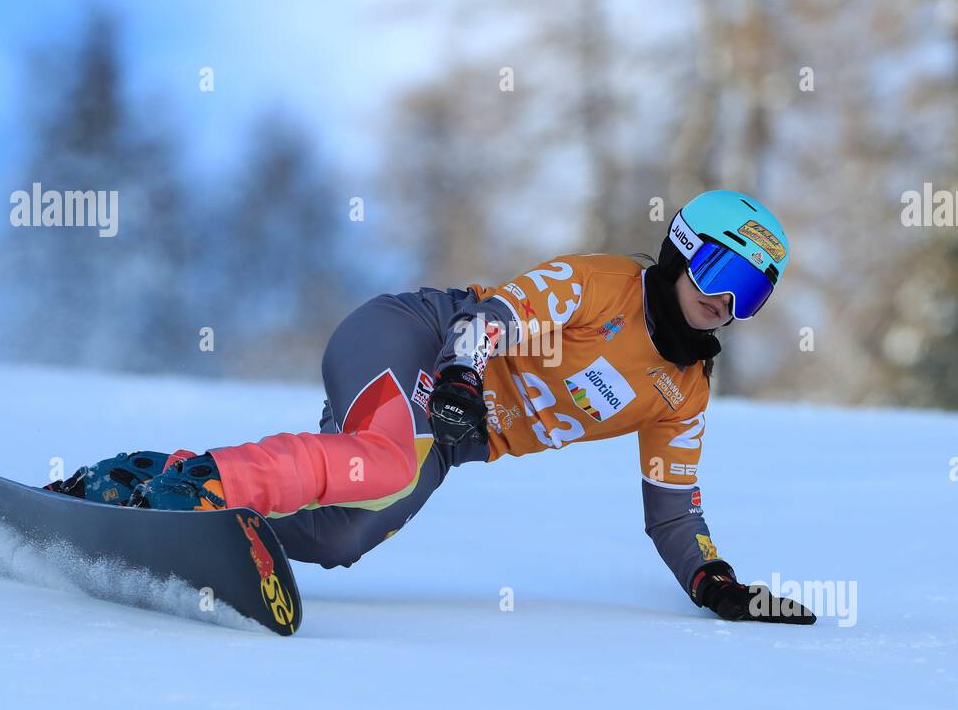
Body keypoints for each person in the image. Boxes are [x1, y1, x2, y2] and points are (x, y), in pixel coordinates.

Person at [48, 190, 816, 624]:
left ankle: (153, 485)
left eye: (751, 294)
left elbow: (675, 513)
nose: (725, 303)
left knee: (338, 533)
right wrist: (460, 379)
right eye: (722, 274)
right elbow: (494, 320)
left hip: (449, 436)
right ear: (684, 250)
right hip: (414, 341)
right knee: (382, 458)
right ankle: (210, 483)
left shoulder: (682, 392)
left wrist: (715, 582)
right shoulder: (604, 285)